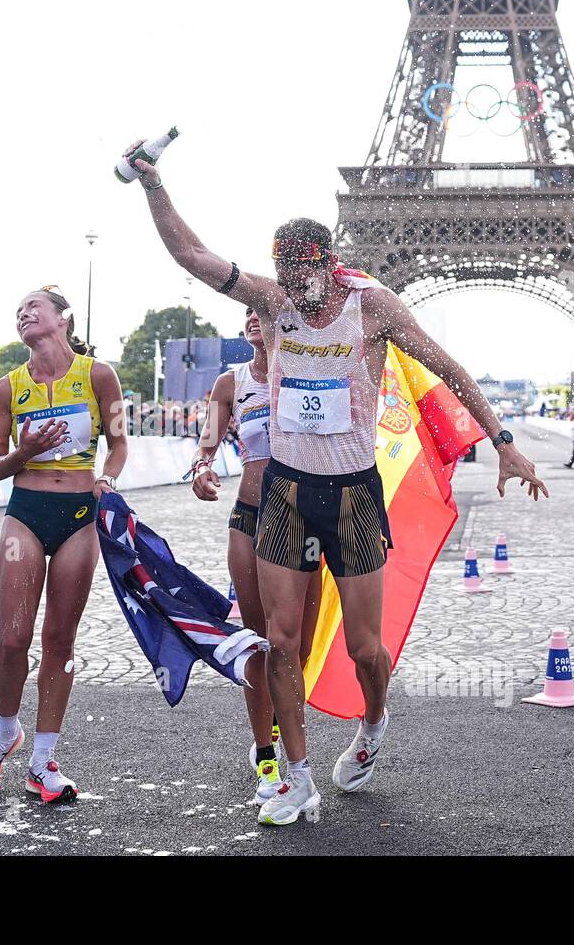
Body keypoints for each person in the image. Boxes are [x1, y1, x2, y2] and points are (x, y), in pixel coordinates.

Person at [126, 139, 547, 826]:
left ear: (326, 262)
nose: (289, 290)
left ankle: (373, 722)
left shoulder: (374, 307)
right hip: (286, 493)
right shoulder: (269, 298)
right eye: (281, 277)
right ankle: (296, 778)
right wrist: (152, 185)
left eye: (301, 275)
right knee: (280, 641)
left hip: (352, 492)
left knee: (363, 648)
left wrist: (502, 443)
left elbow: (452, 370)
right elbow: (192, 257)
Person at [0, 285, 128, 803]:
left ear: (62, 319)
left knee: (60, 641)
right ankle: (4, 732)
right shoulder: (4, 389)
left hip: (79, 515)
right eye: (17, 311)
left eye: (34, 306)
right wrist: (23, 451)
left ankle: (43, 758)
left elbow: (119, 442)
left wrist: (108, 478)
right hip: (26, 513)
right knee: (13, 639)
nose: (24, 314)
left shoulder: (99, 375)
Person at [189, 305, 322, 803]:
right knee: (259, 643)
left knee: (297, 649)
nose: (251, 317)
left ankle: (289, 742)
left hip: (306, 520)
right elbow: (207, 441)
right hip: (249, 517)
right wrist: (202, 467)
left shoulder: (309, 374)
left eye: (261, 310)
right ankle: (268, 756)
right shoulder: (231, 382)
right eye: (246, 311)